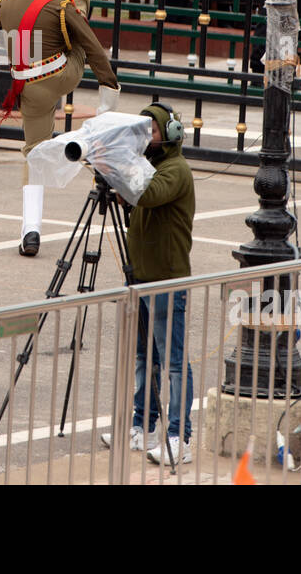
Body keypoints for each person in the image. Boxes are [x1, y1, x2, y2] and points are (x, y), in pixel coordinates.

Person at [0, 0, 119, 257]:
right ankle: (77, 147)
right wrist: (109, 86)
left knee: (32, 153)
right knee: (81, 10)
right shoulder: (63, 4)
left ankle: (30, 232)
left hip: (24, 85)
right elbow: (93, 48)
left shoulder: (7, 0)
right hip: (60, 75)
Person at [101, 102, 196, 465]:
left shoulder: (174, 170)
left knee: (173, 362)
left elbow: (148, 194)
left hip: (166, 280)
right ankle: (141, 426)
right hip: (141, 277)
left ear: (169, 134)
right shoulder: (152, 167)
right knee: (144, 357)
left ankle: (179, 438)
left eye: (152, 131)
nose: (146, 137)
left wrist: (116, 166)